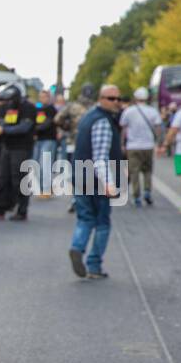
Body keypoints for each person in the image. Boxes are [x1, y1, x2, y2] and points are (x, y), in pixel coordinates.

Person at [68, 84, 123, 279]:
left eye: (118, 98)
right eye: (111, 98)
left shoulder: (89, 117)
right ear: (101, 98)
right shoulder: (102, 122)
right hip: (96, 179)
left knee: (85, 218)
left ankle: (77, 246)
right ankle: (94, 265)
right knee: (102, 222)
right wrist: (108, 182)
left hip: (81, 175)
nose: (116, 102)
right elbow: (100, 156)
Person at [0, 82, 35, 221]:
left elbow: (25, 127)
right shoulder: (5, 108)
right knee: (2, 178)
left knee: (19, 178)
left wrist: (4, 130)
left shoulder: (28, 107)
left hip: (22, 148)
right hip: (6, 147)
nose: (6, 103)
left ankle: (22, 210)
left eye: (9, 100)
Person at [119, 87, 161, 207]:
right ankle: (147, 191)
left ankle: (137, 196)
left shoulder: (128, 111)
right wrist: (157, 142)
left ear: (135, 98)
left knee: (134, 171)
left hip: (133, 145)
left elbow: (124, 129)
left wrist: (122, 144)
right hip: (148, 145)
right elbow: (158, 128)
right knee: (147, 170)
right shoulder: (153, 111)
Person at [32, 90, 59, 199]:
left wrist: (33, 129)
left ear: (49, 98)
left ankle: (46, 189)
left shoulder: (51, 109)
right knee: (37, 165)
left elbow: (47, 124)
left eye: (44, 97)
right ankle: (42, 188)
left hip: (48, 139)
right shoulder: (37, 109)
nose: (42, 98)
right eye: (41, 96)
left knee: (45, 164)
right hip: (38, 139)